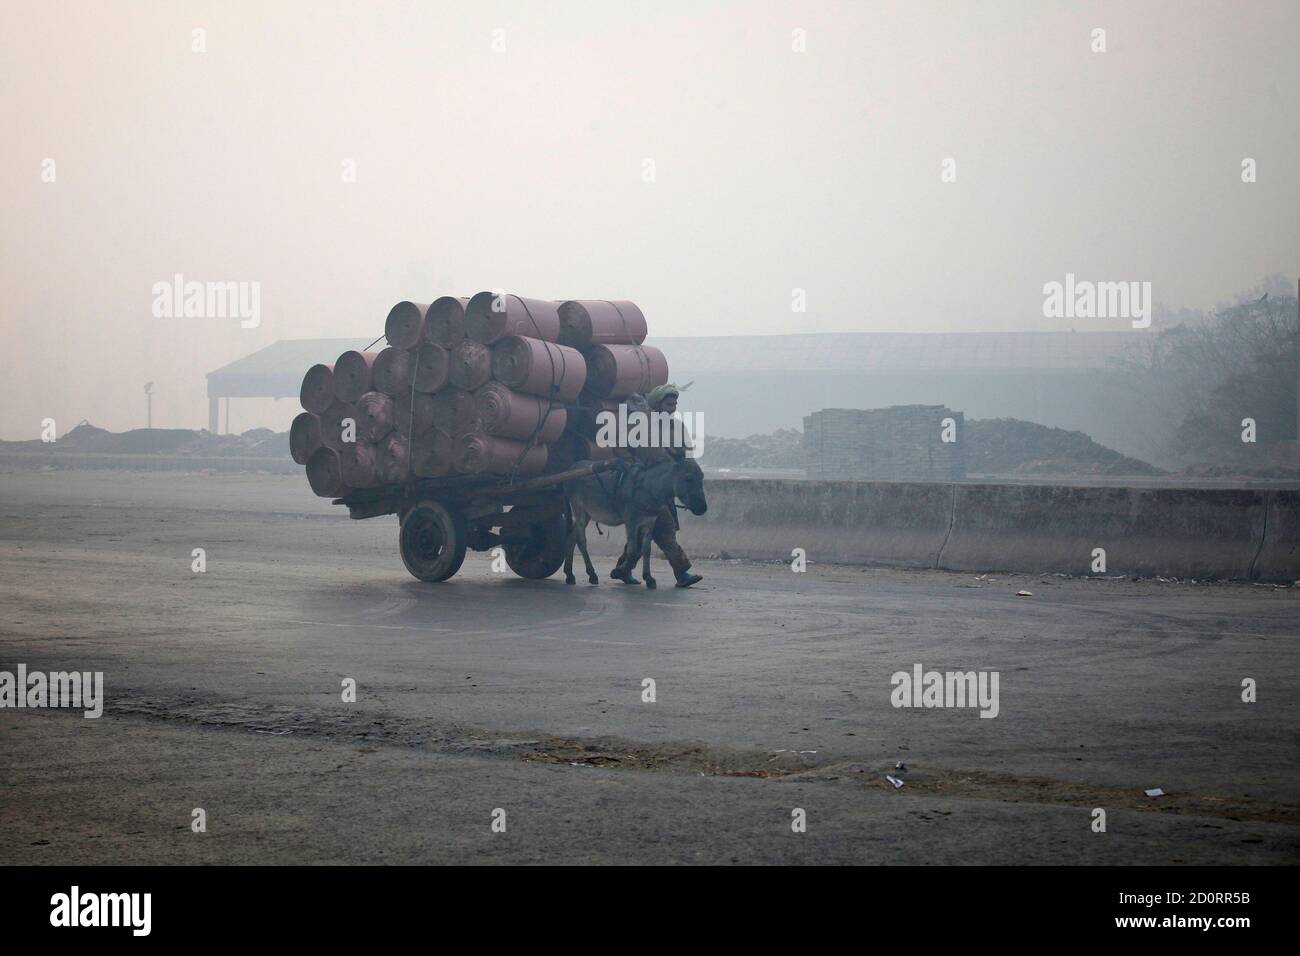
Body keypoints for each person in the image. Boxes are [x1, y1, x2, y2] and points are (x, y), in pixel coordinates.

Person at [610, 383, 703, 588]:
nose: (673, 406)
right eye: (669, 403)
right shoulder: (640, 424)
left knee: (644, 530)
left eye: (675, 403)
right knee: (664, 530)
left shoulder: (675, 427)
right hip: (643, 487)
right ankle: (681, 573)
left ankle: (624, 568)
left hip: (665, 490)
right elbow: (620, 447)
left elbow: (682, 460)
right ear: (657, 404)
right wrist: (633, 466)